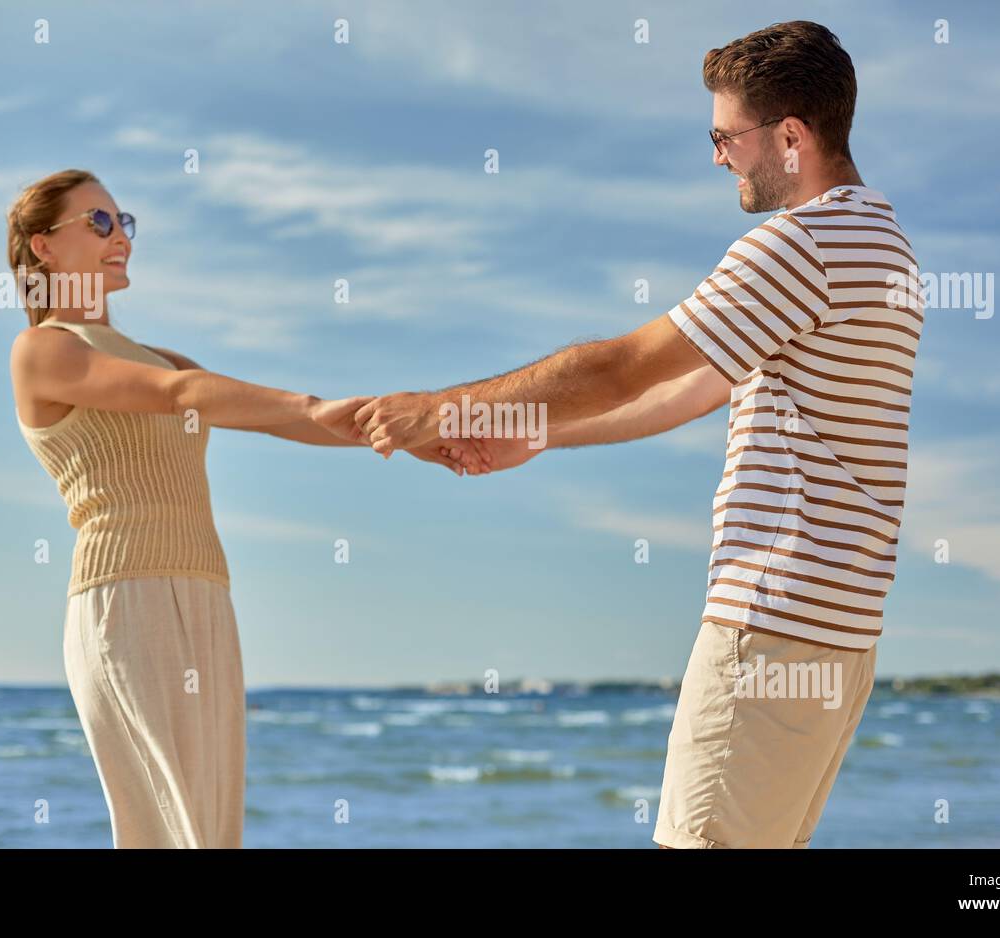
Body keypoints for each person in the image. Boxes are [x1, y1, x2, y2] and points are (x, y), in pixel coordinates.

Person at [363, 21, 923, 848]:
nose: (718, 157)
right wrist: (534, 433)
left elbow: (625, 365)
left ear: (792, 136)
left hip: (766, 625)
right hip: (837, 636)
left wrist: (440, 409)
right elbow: (692, 390)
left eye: (726, 136)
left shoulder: (799, 246)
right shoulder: (885, 246)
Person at [6, 169, 474, 848]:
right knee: (166, 829)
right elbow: (184, 394)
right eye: (99, 223)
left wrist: (404, 432)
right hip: (125, 597)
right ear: (44, 246)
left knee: (213, 834)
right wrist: (312, 406)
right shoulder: (43, 350)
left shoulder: (161, 357)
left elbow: (277, 418)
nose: (121, 239)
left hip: (205, 592)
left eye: (124, 222)